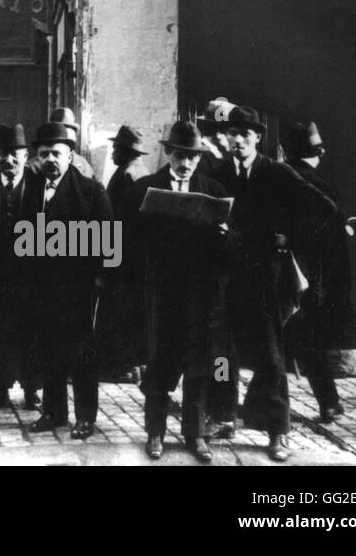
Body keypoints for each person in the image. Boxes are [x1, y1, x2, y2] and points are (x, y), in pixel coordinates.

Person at [214, 105, 340, 462]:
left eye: (244, 134)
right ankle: (223, 415)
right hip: (225, 277)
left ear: (257, 138)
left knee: (270, 357)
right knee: (223, 353)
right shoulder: (218, 172)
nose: (236, 140)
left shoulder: (276, 173)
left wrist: (290, 236)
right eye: (231, 134)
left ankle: (277, 431)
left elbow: (325, 208)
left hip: (265, 278)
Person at [135, 121, 230, 462]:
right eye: (180, 155)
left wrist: (222, 234)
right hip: (162, 291)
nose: (186, 163)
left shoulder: (214, 190)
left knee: (200, 364)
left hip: (201, 293)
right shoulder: (147, 188)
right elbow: (132, 240)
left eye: (192, 157)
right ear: (168, 154)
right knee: (160, 361)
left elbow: (227, 249)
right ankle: (155, 433)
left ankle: (196, 434)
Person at [20, 121, 113, 440]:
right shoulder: (31, 190)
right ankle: (54, 412)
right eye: (44, 153)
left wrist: (100, 281)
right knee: (48, 350)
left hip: (78, 290)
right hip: (42, 288)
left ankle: (85, 416)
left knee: (82, 354)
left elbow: (108, 243)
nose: (50, 159)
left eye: (56, 154)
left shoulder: (90, 191)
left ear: (70, 156)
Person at [284, 121, 356, 423]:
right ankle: (328, 403)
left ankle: (326, 403)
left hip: (279, 270)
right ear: (318, 152)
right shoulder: (324, 188)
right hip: (312, 278)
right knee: (305, 342)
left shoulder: (277, 177)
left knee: (286, 341)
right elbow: (334, 243)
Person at [0, 123, 38, 410]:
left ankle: (31, 390)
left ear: (26, 156)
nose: (9, 160)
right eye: (4, 154)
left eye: (15, 154)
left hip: (29, 277)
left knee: (30, 334)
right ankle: (0, 388)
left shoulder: (39, 187)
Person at [103, 125, 151, 383]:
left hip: (123, 256)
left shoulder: (127, 175)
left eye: (115, 149)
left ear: (124, 151)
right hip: (134, 257)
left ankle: (123, 365)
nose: (111, 153)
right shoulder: (138, 171)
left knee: (120, 311)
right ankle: (136, 363)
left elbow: (118, 220)